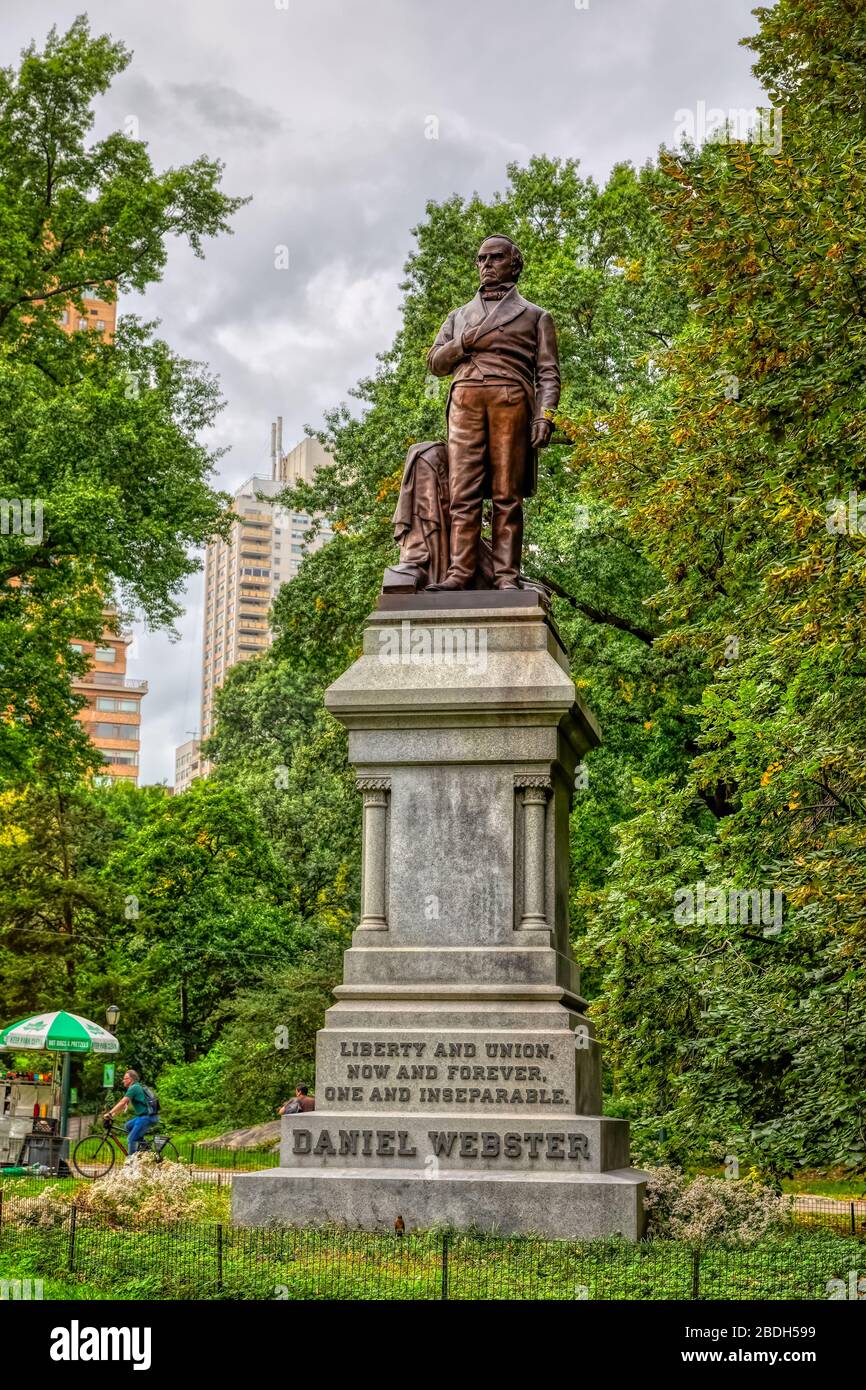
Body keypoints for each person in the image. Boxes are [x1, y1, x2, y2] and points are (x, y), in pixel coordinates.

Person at [425, 234, 560, 590]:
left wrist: (544, 416)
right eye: (481, 259)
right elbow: (436, 363)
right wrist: (463, 342)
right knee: (462, 492)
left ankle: (506, 578)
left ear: (514, 265)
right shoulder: (458, 317)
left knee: (506, 494)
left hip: (510, 401)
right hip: (465, 401)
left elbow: (547, 372)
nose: (486, 265)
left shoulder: (535, 316)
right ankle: (460, 573)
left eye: (495, 258)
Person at [104, 1068, 158, 1155]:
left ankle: (131, 1162)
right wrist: (113, 1115)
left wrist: (109, 1113)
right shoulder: (135, 1087)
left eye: (125, 1078)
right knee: (128, 1126)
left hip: (147, 1117)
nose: (123, 1081)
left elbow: (122, 1102)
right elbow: (124, 1106)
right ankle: (144, 1146)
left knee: (131, 1139)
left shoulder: (134, 1088)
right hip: (145, 1116)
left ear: (131, 1079)